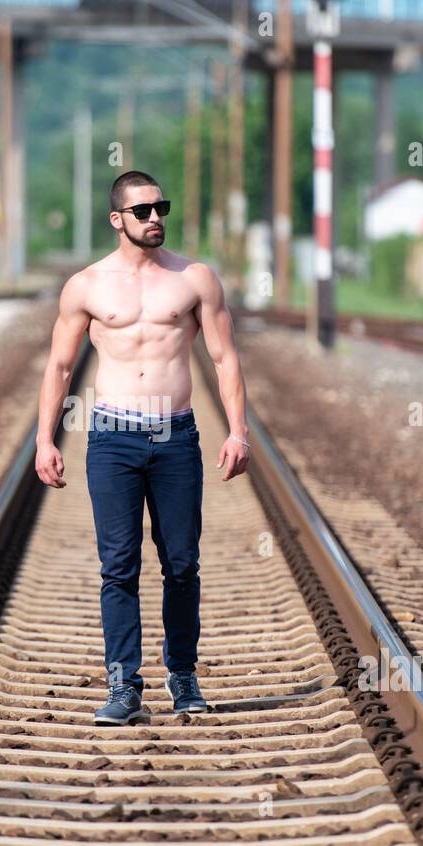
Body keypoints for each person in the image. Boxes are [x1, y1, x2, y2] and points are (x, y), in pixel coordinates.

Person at [34, 170, 251, 725]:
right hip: (112, 439)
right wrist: (45, 439)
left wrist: (237, 430)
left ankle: (183, 676)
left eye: (162, 208)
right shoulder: (86, 286)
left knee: (181, 563)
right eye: (143, 211)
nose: (155, 218)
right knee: (119, 566)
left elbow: (225, 358)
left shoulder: (195, 278)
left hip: (176, 435)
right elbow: (59, 366)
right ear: (117, 220)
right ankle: (124, 684)